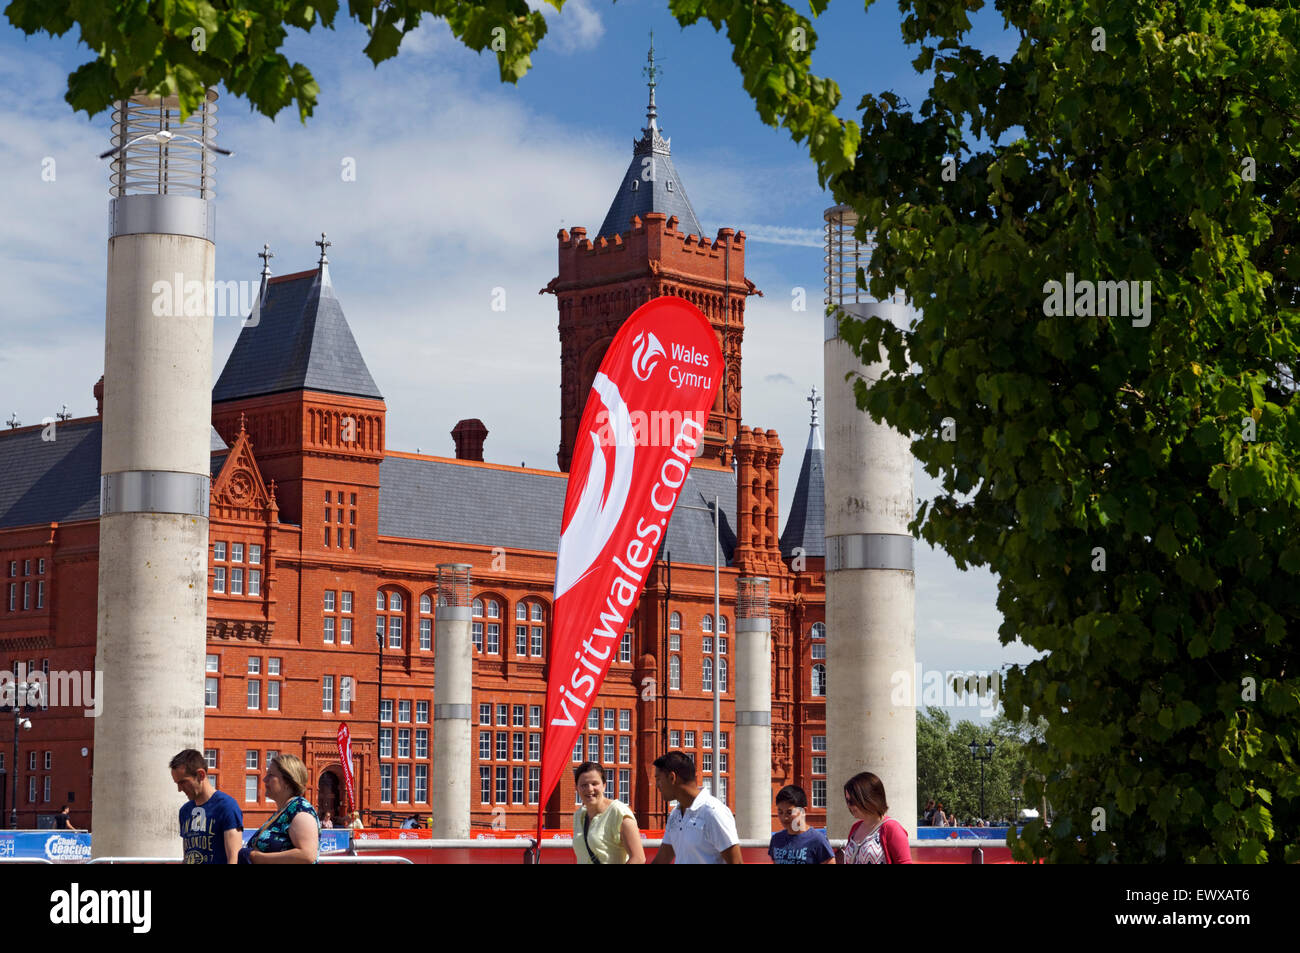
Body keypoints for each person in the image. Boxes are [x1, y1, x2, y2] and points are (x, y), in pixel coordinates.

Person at [650, 751, 742, 864]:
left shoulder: (713, 812)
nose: (657, 786)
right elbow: (662, 859)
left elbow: (736, 862)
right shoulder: (675, 814)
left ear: (672, 777)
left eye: (658, 779)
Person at [240, 753, 320, 864]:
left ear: (287, 781)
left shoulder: (300, 811)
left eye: (271, 775)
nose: (264, 779)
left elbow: (307, 855)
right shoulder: (285, 810)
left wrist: (256, 857)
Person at [170, 748, 243, 864]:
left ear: (200, 775)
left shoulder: (227, 806)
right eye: (177, 783)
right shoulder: (185, 811)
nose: (179, 789)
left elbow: (234, 859)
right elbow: (187, 856)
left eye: (183, 782)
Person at [572, 761, 645, 864]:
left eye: (594, 784)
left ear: (604, 785)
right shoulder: (579, 815)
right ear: (576, 788)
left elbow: (638, 858)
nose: (589, 789)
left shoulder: (618, 812)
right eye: (584, 785)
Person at [842, 772, 912, 864]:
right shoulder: (855, 828)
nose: (849, 805)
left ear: (868, 798)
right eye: (847, 801)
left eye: (852, 801)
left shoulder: (892, 828)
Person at [768, 785, 834, 864]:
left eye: (789, 812)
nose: (784, 817)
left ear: (803, 811)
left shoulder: (818, 840)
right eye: (780, 812)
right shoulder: (776, 839)